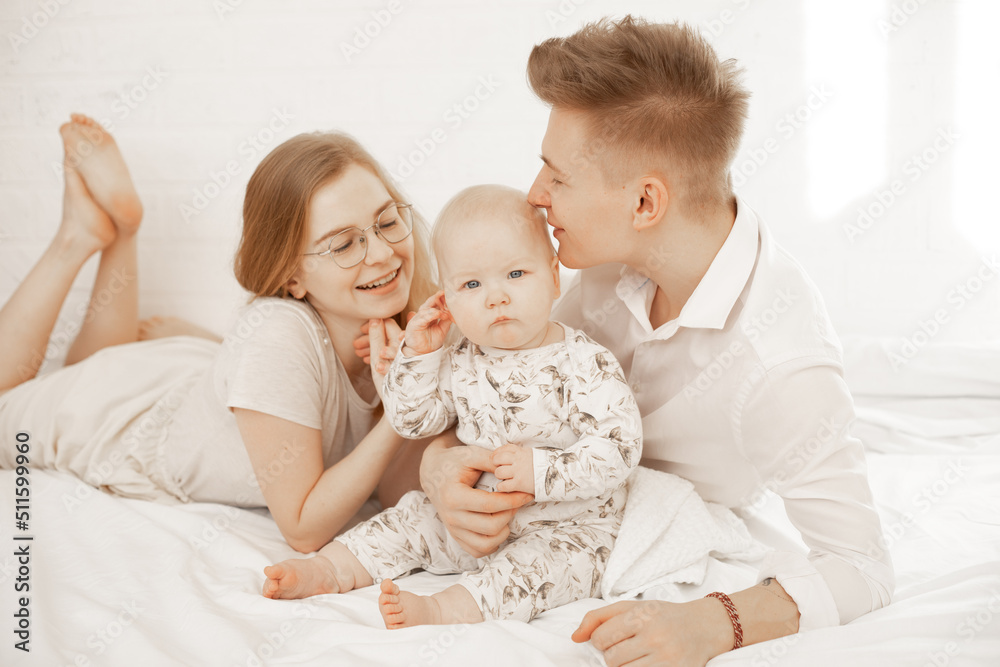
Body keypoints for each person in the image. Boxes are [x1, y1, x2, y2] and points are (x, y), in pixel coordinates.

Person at [419, 16, 894, 666]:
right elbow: (503, 379)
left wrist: (713, 622)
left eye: (556, 176)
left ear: (645, 203)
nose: (534, 196)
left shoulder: (779, 366)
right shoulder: (603, 266)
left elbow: (863, 566)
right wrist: (441, 465)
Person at [0, 115, 438, 552]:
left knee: (94, 363)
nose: (383, 253)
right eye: (343, 245)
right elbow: (303, 528)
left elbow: (399, 490)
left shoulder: (416, 325)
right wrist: (405, 403)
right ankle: (78, 235)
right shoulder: (275, 338)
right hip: (114, 426)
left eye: (386, 221)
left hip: (187, 383)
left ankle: (120, 236)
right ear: (292, 278)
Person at [261, 184, 643, 629]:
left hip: (568, 527)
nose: (496, 297)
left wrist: (540, 472)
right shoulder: (459, 358)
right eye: (472, 284)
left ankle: (443, 609)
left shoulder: (583, 362)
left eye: (516, 274)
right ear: (448, 298)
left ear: (554, 276)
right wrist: (418, 358)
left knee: (535, 572)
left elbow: (620, 447)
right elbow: (412, 421)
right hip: (472, 516)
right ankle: (330, 569)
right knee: (407, 519)